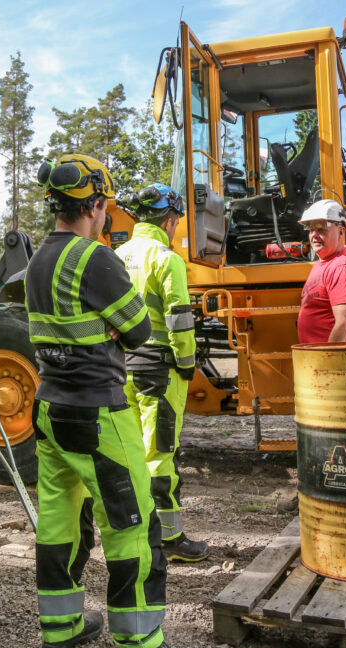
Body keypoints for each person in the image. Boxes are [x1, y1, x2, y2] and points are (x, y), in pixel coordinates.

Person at [27, 154, 200, 648]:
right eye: (105, 207)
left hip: (50, 409)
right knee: (133, 525)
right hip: (98, 414)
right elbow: (141, 330)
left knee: (59, 524)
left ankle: (60, 630)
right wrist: (110, 327)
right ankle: (140, 642)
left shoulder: (39, 259)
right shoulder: (95, 258)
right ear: (96, 205)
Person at [116, 183, 207, 563]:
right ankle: (168, 539)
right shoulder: (166, 259)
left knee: (129, 452)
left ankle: (134, 532)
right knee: (160, 457)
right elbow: (180, 321)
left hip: (122, 369)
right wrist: (187, 366)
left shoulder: (115, 256)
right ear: (169, 220)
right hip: (160, 370)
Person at [295, 200, 346, 344]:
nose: (314, 235)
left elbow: (344, 324)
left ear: (340, 231)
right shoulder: (324, 263)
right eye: (310, 229)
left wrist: (327, 360)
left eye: (321, 228)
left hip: (332, 363)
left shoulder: (342, 268)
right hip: (317, 359)